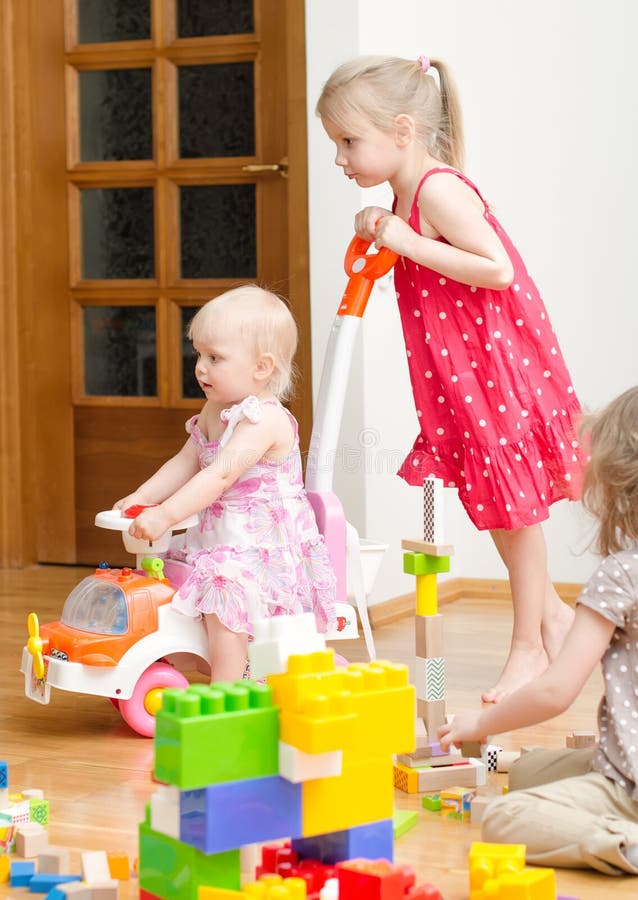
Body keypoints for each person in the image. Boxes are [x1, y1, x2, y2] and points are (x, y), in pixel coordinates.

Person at [317, 54, 584, 701]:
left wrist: (405, 240)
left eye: (349, 141)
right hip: (457, 370)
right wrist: (386, 231)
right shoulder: (404, 194)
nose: (341, 159)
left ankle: (530, 647)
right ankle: (551, 618)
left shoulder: (438, 189)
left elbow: (497, 270)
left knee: (514, 510)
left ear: (403, 131)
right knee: (496, 501)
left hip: (490, 366)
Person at [438, 386, 638, 875]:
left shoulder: (621, 575)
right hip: (619, 762)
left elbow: (554, 691)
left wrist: (480, 724)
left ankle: (623, 840)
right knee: (525, 772)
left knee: (505, 818)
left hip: (629, 787)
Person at [114, 285, 337, 682]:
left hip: (265, 550)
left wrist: (165, 515)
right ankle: (199, 659)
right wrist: (142, 497)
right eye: (199, 354)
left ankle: (229, 690)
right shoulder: (214, 407)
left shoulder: (264, 420)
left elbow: (218, 474)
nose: (200, 366)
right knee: (167, 574)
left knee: (224, 592)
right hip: (221, 538)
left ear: (262, 367)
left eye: (215, 357)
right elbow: (186, 460)